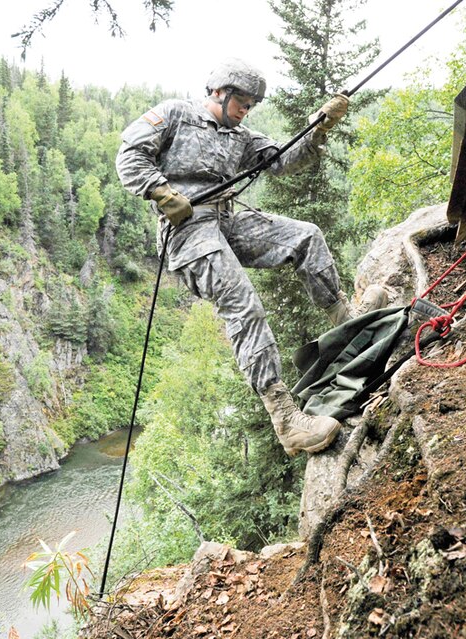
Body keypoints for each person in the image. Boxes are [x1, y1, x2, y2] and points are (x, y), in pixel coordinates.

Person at [115, 58, 385, 456]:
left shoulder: (240, 136)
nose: (246, 111)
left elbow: (283, 159)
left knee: (304, 237)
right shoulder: (175, 114)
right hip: (187, 231)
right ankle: (286, 420)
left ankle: (346, 320)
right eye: (242, 102)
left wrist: (319, 127)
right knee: (243, 305)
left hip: (227, 220)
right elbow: (130, 155)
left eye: (252, 105)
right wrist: (161, 192)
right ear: (219, 93)